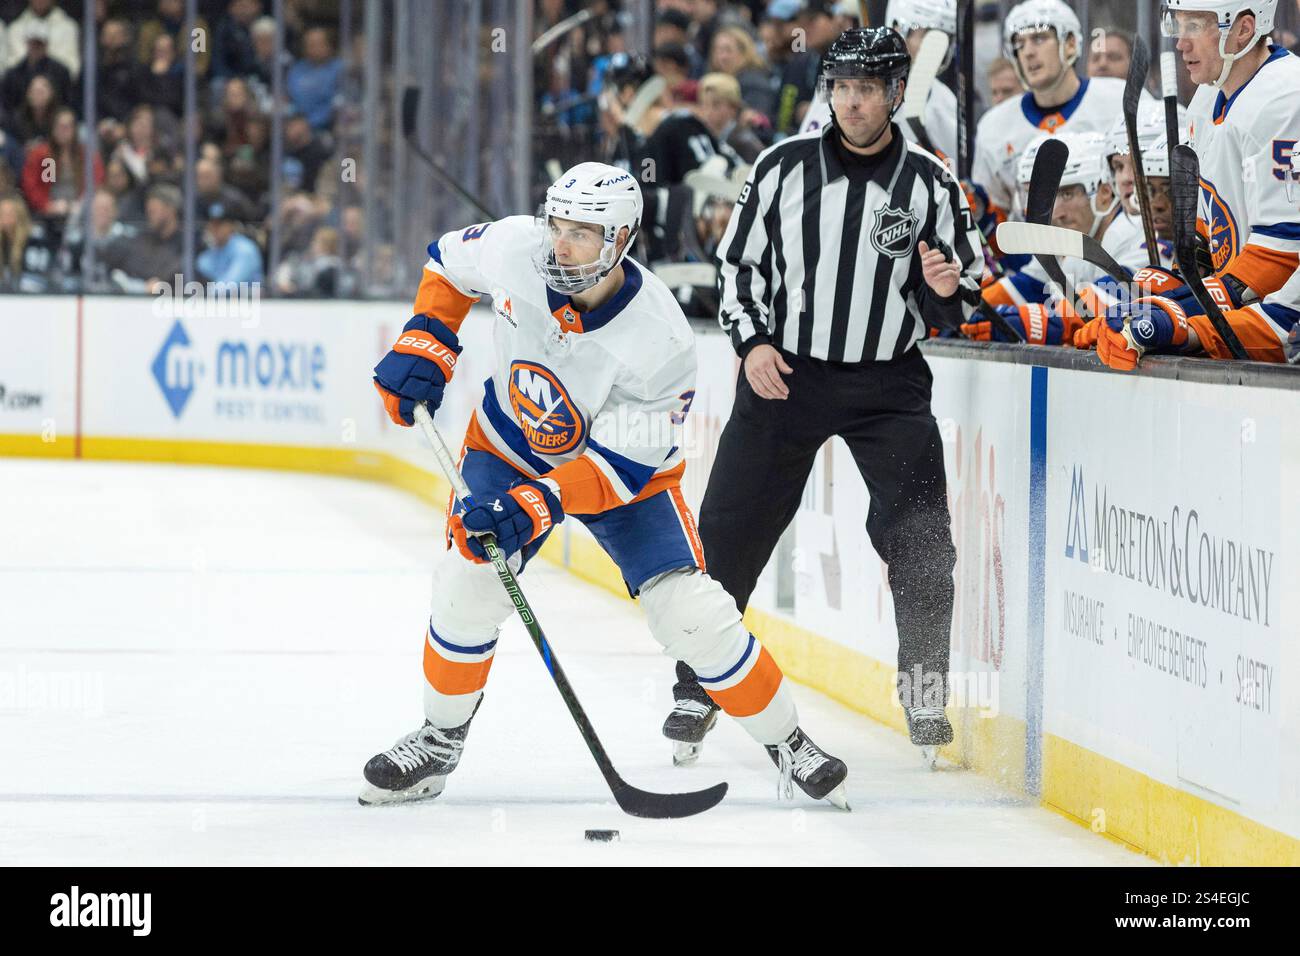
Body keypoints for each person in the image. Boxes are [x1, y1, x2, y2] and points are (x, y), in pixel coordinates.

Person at [359, 162, 850, 809]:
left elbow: (618, 469)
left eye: (583, 234)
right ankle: (440, 740)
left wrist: (536, 504)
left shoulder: (662, 337)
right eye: (557, 225)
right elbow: (447, 264)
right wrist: (428, 339)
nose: (561, 244)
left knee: (692, 614)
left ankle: (788, 742)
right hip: (506, 446)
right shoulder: (514, 249)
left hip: (624, 479)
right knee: (467, 584)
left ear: (621, 241)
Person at [664, 27, 980, 768]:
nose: (851, 101)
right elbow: (737, 266)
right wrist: (753, 345)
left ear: (896, 94)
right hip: (787, 374)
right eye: (839, 87)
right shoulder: (780, 168)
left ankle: (926, 686)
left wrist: (946, 290)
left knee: (924, 538)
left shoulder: (930, 182)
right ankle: (697, 684)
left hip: (888, 383)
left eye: (866, 88)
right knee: (730, 530)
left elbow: (961, 288)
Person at [1075, 0, 1300, 367]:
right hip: (1245, 324)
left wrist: (1176, 311)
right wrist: (1160, 288)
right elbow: (1207, 237)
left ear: (1243, 30)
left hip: (1279, 333)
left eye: (1195, 26)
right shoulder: (1209, 94)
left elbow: (1280, 260)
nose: (1181, 43)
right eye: (1177, 25)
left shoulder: (1286, 97)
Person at [971, 0, 1139, 236]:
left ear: (1070, 44)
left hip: (1115, 249)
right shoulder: (994, 126)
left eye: (1039, 38)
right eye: (1019, 43)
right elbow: (997, 215)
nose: (1028, 51)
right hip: (1035, 261)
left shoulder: (1119, 99)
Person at [801, 0, 957, 165]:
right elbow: (809, 157)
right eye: (931, 35)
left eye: (946, 37)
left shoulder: (943, 100)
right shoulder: (843, 81)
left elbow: (953, 174)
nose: (941, 47)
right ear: (898, 29)